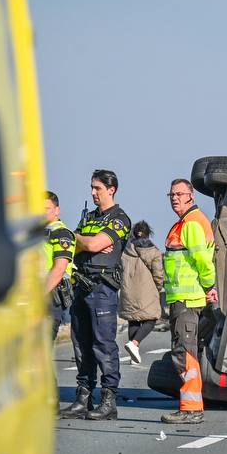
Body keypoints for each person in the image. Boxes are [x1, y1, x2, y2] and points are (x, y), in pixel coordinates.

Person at [63, 170, 131, 421]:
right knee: (81, 344)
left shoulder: (120, 219)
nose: (93, 192)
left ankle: (108, 400)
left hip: (102, 288)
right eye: (92, 187)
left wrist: (84, 241)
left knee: (103, 345)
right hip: (80, 285)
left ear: (111, 190)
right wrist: (84, 240)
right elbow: (71, 244)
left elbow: (91, 245)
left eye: (98, 188)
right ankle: (83, 398)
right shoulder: (89, 218)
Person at [160, 178, 217, 425]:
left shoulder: (192, 223)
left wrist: (209, 286)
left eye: (179, 194)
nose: (175, 198)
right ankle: (190, 407)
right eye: (171, 194)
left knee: (185, 354)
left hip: (188, 298)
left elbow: (202, 261)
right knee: (184, 352)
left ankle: (192, 409)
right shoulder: (184, 223)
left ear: (191, 196)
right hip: (182, 298)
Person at [120, 221, 165, 364]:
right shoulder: (154, 251)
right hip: (147, 289)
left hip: (128, 289)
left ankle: (133, 354)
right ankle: (134, 343)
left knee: (133, 319)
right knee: (151, 318)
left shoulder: (125, 250)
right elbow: (158, 274)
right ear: (148, 233)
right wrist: (158, 288)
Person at [43, 190, 74, 343]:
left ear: (57, 210)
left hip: (50, 296)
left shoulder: (62, 234)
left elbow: (59, 269)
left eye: (46, 209)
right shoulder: (38, 233)